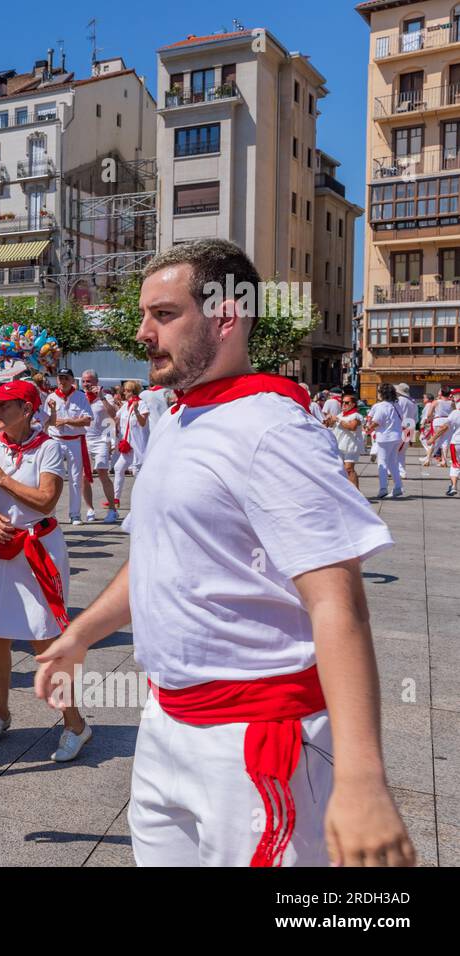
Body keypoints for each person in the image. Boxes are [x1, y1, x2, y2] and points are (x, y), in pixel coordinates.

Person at [35, 239, 414, 867]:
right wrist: (79, 636)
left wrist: (361, 780)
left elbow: (337, 606)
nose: (142, 332)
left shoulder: (273, 430)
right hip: (165, 724)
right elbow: (161, 557)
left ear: (226, 316)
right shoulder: (177, 421)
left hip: (258, 738)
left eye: (163, 314)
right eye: (143, 315)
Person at [0, 379, 89, 758]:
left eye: (4, 405)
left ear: (26, 409)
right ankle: (0, 713)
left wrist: (1, 479)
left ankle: (75, 723)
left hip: (35, 551)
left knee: (43, 638)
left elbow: (46, 501)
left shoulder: (49, 448)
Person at [42, 367, 92, 525]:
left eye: (65, 378)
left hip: (74, 440)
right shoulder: (51, 397)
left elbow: (87, 420)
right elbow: (46, 421)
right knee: (52, 477)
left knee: (76, 479)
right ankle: (50, 513)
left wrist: (66, 421)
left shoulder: (80, 396)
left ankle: (75, 514)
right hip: (55, 439)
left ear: (71, 380)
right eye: (60, 378)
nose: (62, 381)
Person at [79, 369, 119, 523]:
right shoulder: (80, 397)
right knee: (84, 476)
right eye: (84, 381)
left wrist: (101, 397)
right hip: (85, 439)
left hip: (101, 439)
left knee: (102, 472)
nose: (86, 384)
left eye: (89, 381)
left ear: (96, 382)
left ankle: (112, 510)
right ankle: (90, 509)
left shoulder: (105, 396)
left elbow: (113, 414)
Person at [112, 380, 149, 508]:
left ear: (133, 392)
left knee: (137, 473)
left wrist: (137, 411)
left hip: (137, 446)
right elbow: (116, 417)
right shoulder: (125, 405)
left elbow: (143, 423)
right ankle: (115, 499)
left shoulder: (142, 404)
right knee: (118, 468)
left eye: (127, 391)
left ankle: (143, 501)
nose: (124, 393)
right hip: (127, 445)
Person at [366, 383, 405, 500]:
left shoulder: (381, 406)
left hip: (385, 437)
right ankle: (398, 486)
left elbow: (377, 421)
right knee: (393, 462)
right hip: (397, 436)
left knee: (382, 463)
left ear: (382, 393)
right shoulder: (397, 405)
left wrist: (369, 427)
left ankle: (383, 488)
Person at [334, 392, 365, 491]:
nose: (343, 404)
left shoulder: (356, 415)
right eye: (342, 402)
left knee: (349, 469)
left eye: (346, 403)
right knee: (340, 470)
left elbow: (352, 427)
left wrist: (338, 420)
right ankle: (346, 492)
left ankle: (357, 493)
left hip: (351, 446)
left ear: (353, 404)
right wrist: (329, 421)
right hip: (339, 445)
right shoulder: (340, 415)